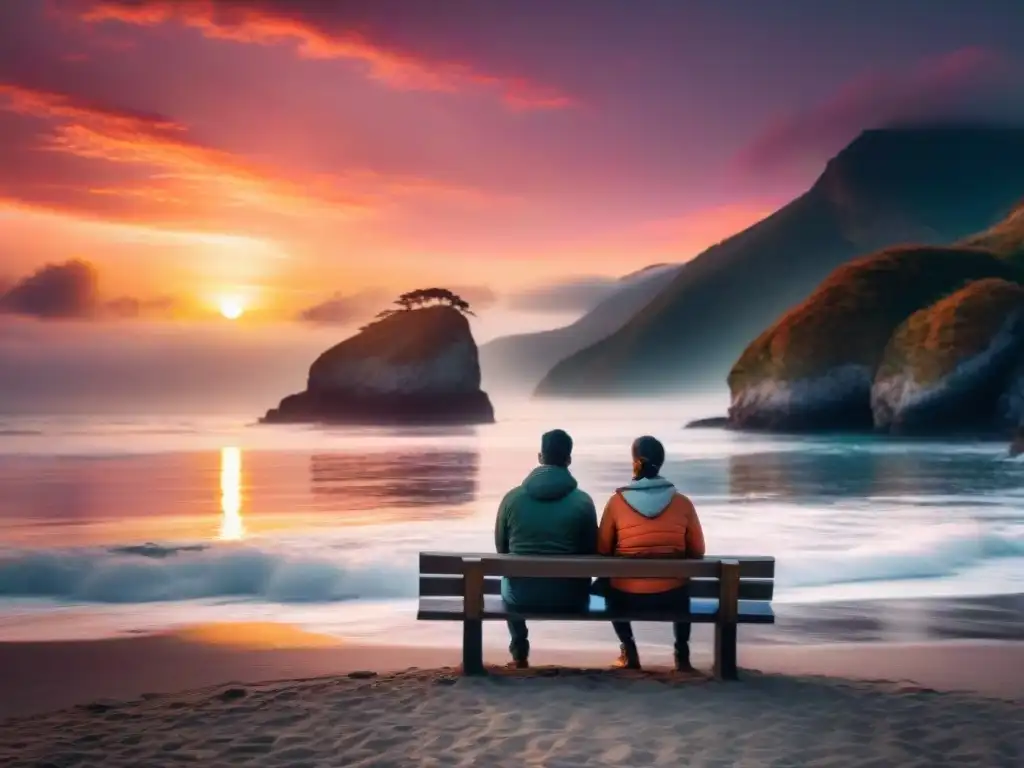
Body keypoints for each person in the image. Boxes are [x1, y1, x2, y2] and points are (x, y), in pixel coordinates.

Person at [597, 435, 705, 672]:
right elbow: (698, 551)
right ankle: (682, 655)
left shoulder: (616, 502)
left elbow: (603, 550)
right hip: (672, 597)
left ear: (635, 461)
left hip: (627, 597)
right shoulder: (682, 503)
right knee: (682, 582)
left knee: (606, 581)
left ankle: (629, 650)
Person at [495, 429, 598, 668]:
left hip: (522, 596)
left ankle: (519, 651)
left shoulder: (512, 499)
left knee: (508, 577)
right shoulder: (583, 501)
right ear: (569, 460)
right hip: (571, 597)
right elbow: (592, 550)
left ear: (540, 457)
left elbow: (502, 549)